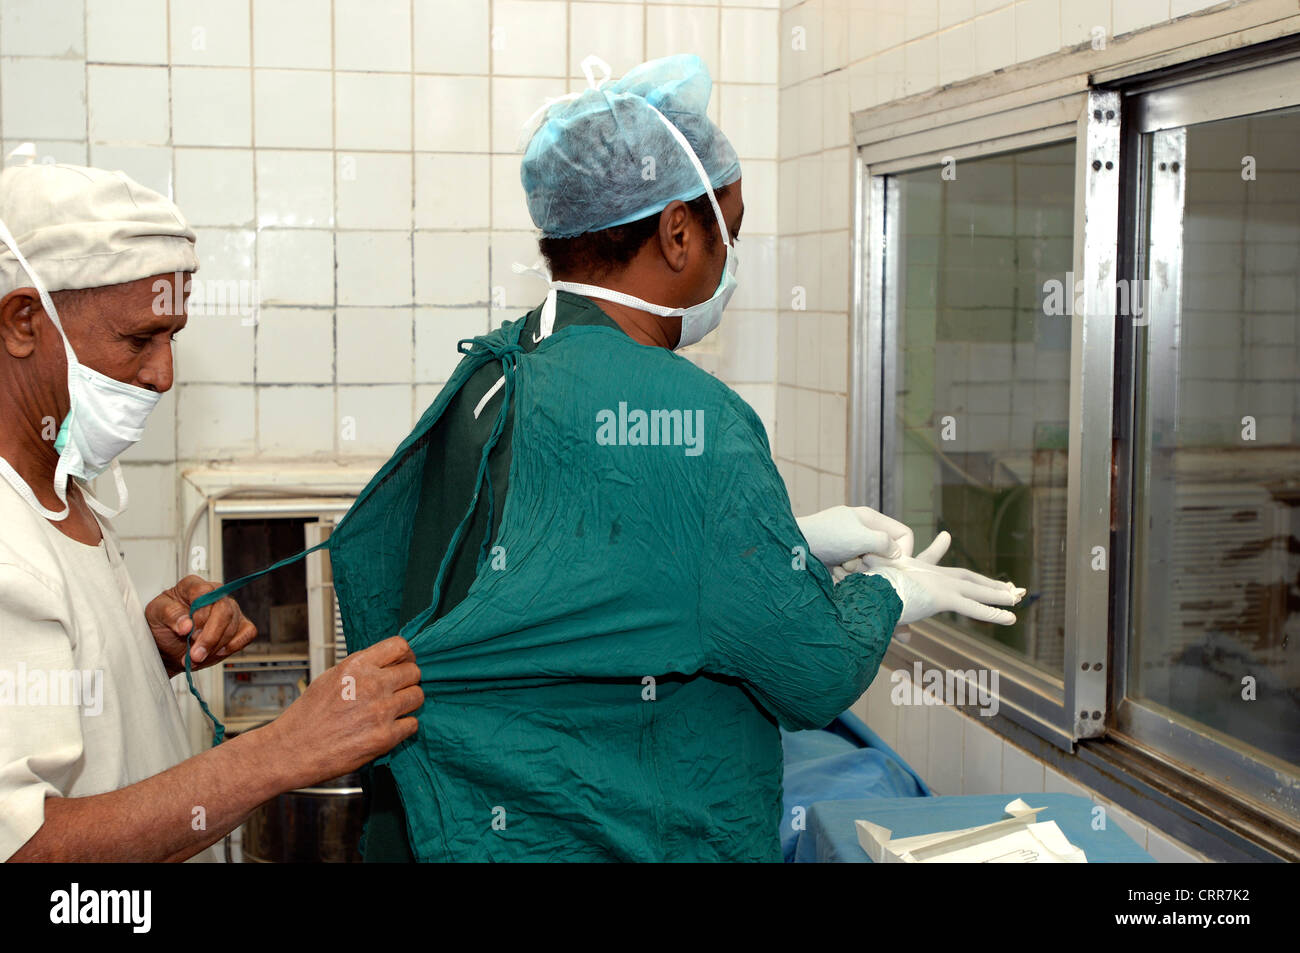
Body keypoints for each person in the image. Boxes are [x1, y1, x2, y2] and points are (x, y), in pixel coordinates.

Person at [346, 54, 1024, 862]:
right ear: (676, 232)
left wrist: (784, 546)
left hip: (456, 825)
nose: (729, 265)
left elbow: (565, 575)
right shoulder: (692, 417)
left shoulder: (499, 367)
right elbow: (813, 674)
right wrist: (887, 592)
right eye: (726, 236)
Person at [0, 161, 423, 862]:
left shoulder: (58, 486)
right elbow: (27, 849)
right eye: (139, 339)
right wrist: (282, 751)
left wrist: (139, 654)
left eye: (173, 337)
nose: (163, 374)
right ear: (22, 321)